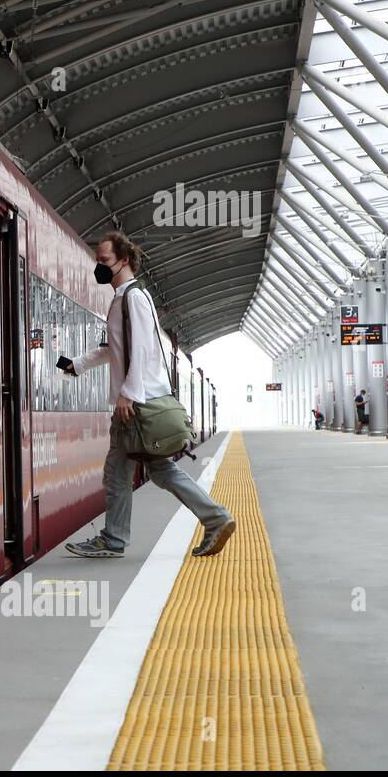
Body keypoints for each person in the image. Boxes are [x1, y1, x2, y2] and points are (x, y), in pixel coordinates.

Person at [60, 231, 235, 559]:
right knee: (155, 469)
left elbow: (141, 348)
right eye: (97, 260)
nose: (99, 266)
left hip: (136, 405)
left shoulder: (134, 297)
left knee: (118, 472)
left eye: (105, 261)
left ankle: (115, 539)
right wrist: (78, 365)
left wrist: (128, 393)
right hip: (137, 402)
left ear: (123, 261)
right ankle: (214, 518)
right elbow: (113, 349)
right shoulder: (121, 299)